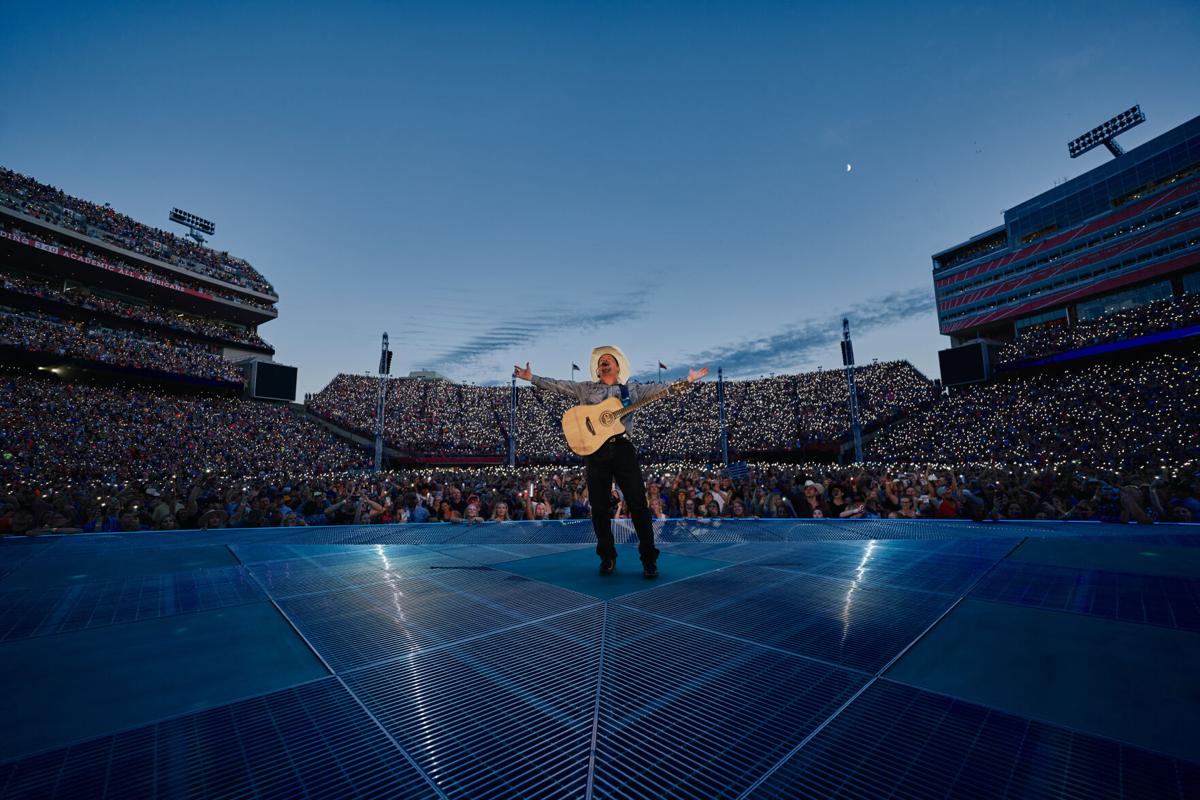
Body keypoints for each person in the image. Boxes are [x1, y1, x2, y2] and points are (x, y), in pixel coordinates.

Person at [515, 345, 708, 578]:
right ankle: (607, 556)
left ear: (617, 367)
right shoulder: (586, 388)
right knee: (598, 507)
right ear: (597, 370)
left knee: (638, 504)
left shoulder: (632, 390)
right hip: (595, 449)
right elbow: (560, 386)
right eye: (601, 361)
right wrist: (531, 378)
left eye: (609, 359)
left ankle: (649, 558)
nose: (604, 362)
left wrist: (687, 381)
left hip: (623, 447)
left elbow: (662, 388)